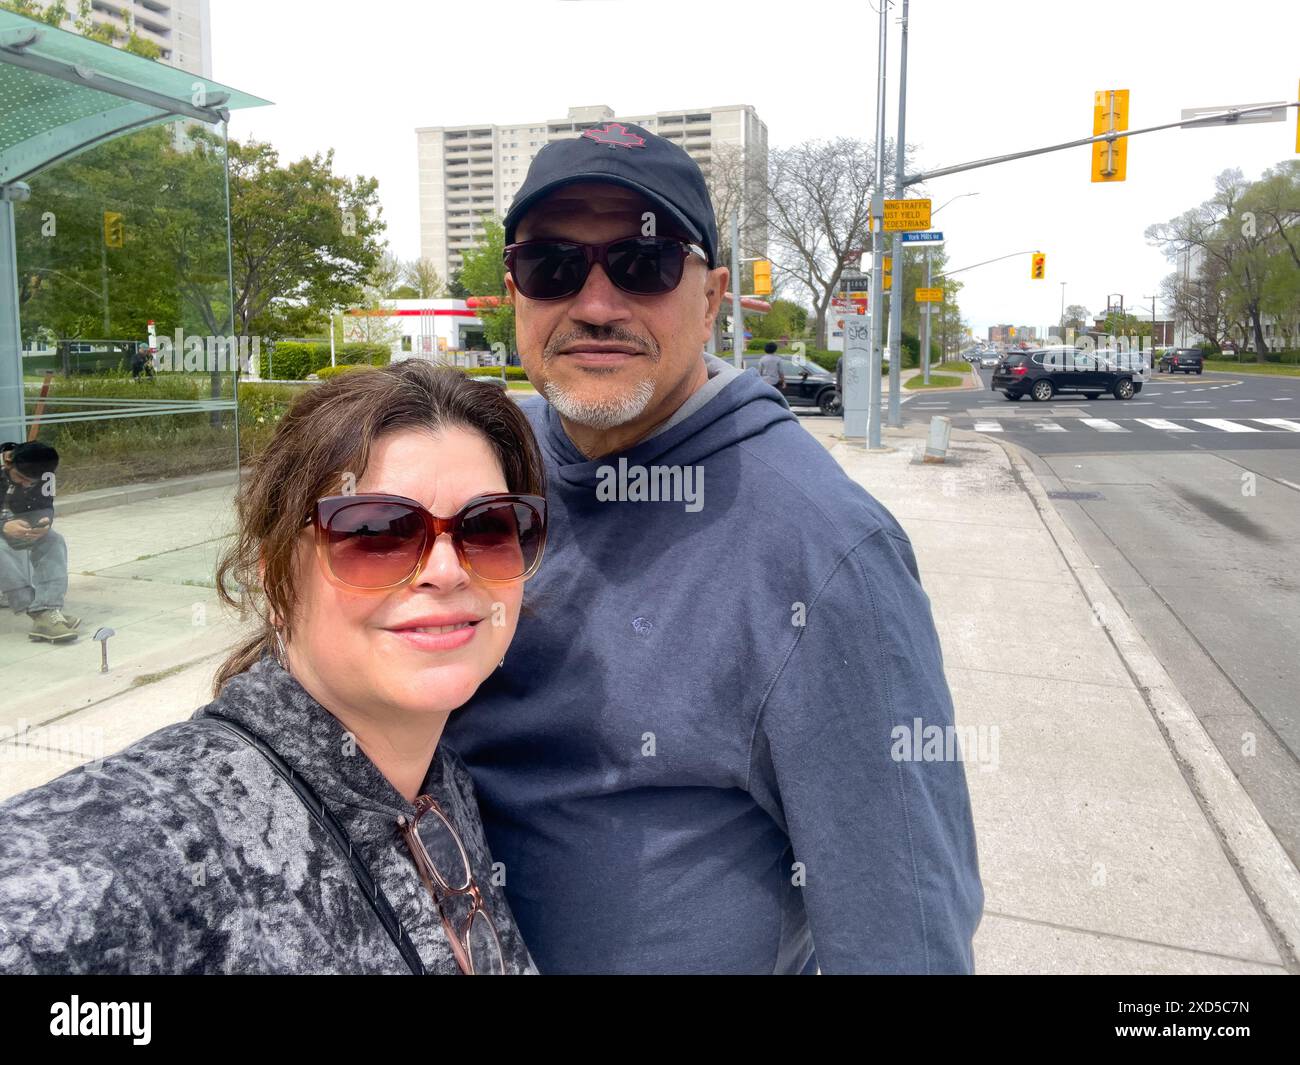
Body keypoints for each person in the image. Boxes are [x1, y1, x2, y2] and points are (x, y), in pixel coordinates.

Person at [444, 122, 983, 974]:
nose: (593, 304)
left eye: (643, 263)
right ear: (514, 289)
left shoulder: (830, 554)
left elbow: (903, 937)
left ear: (711, 295)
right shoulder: (481, 471)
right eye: (552, 263)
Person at [0, 363, 545, 974]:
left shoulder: (442, 788)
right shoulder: (156, 842)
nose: (447, 571)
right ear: (274, 572)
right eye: (376, 532)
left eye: (490, 527)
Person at [0, 440, 79, 642]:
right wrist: (3, 525)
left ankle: (48, 607)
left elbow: (46, 505)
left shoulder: (45, 473)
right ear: (8, 462)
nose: (26, 484)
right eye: (20, 477)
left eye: (31, 482)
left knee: (53, 540)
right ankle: (38, 612)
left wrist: (43, 522)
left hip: (15, 523)